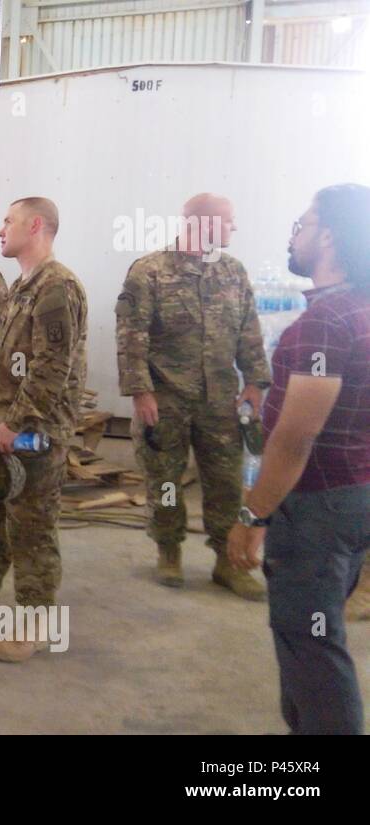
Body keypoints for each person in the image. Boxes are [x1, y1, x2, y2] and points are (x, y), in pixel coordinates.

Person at [227, 184, 370, 735]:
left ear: (329, 235)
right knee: (310, 636)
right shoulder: (357, 308)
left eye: (302, 225)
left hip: (316, 507)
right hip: (350, 498)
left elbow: (295, 438)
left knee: (312, 646)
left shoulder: (325, 322)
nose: (295, 234)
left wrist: (252, 515)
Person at [116, 193, 270, 599]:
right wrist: (140, 392)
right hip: (165, 398)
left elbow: (249, 333)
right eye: (228, 220)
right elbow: (133, 336)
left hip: (221, 401)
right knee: (164, 479)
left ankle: (226, 562)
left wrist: (255, 383)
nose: (233, 228)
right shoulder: (149, 271)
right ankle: (169, 551)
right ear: (202, 222)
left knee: (225, 483)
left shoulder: (234, 273)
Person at [0, 197, 88, 662]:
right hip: (2, 431)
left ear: (36, 225)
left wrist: (13, 423)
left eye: (9, 221)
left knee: (32, 529)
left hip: (34, 436)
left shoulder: (57, 288)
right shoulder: (23, 287)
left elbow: (50, 369)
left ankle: (35, 624)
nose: (1, 230)